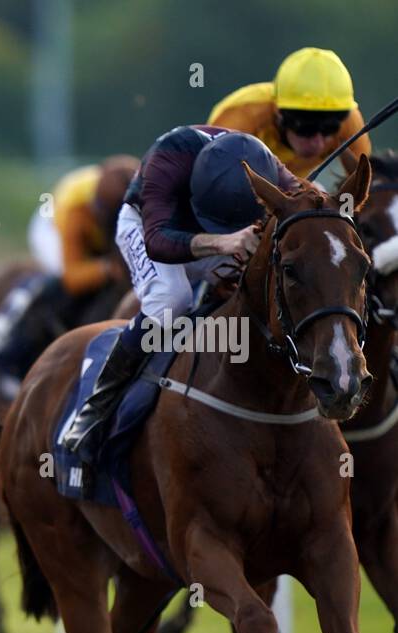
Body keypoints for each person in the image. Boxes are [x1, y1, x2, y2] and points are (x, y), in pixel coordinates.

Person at [58, 127, 298, 458]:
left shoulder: (269, 167)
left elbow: (305, 203)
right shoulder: (169, 156)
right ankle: (95, 410)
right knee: (172, 301)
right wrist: (223, 241)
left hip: (224, 234)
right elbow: (156, 242)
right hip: (149, 227)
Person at [0, 156, 138, 398]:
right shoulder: (77, 211)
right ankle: (5, 348)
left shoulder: (142, 196)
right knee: (56, 280)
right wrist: (107, 269)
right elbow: (73, 278)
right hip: (52, 225)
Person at [207, 46, 370, 180]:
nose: (318, 143)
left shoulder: (349, 120)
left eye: (329, 129)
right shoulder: (243, 115)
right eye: (307, 129)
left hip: (298, 191)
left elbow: (365, 185)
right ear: (279, 114)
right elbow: (214, 179)